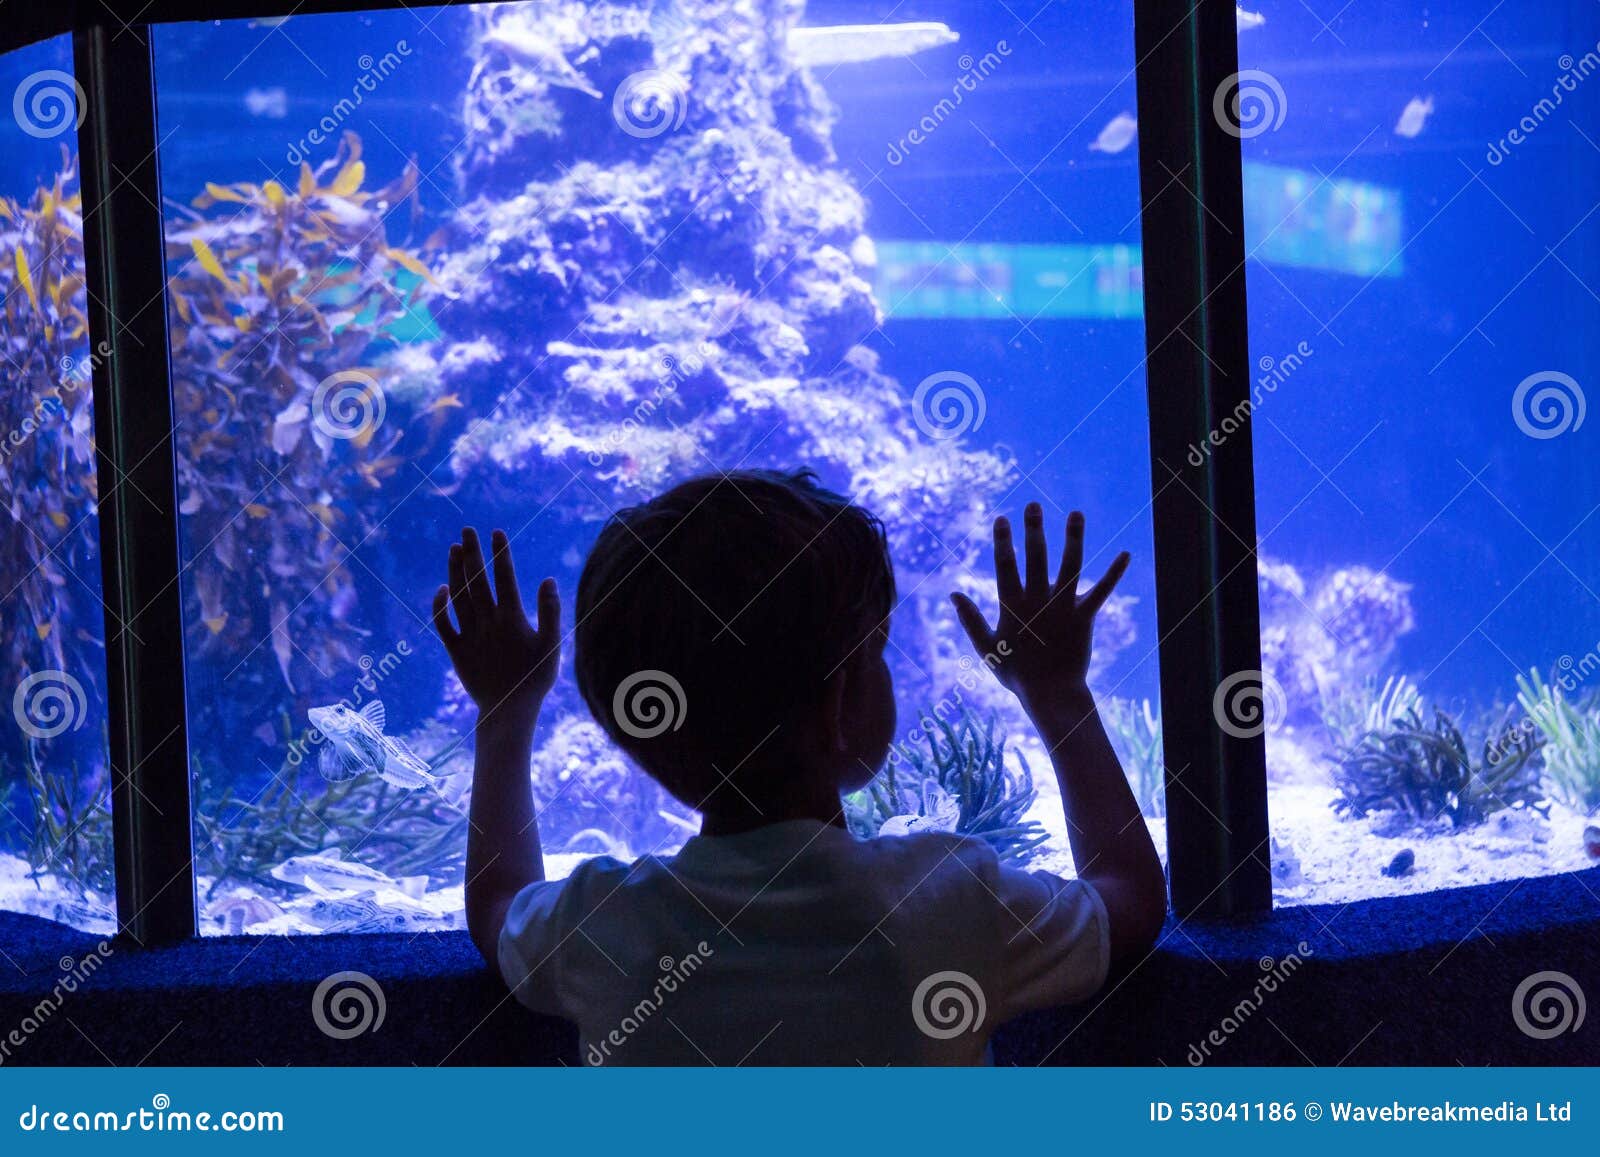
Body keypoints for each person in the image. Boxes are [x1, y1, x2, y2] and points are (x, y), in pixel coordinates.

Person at [432, 469, 1166, 1065]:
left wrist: (505, 710)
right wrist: (1057, 694)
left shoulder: (603, 923)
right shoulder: (952, 902)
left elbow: (496, 902)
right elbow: (1131, 894)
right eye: (877, 649)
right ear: (841, 700)